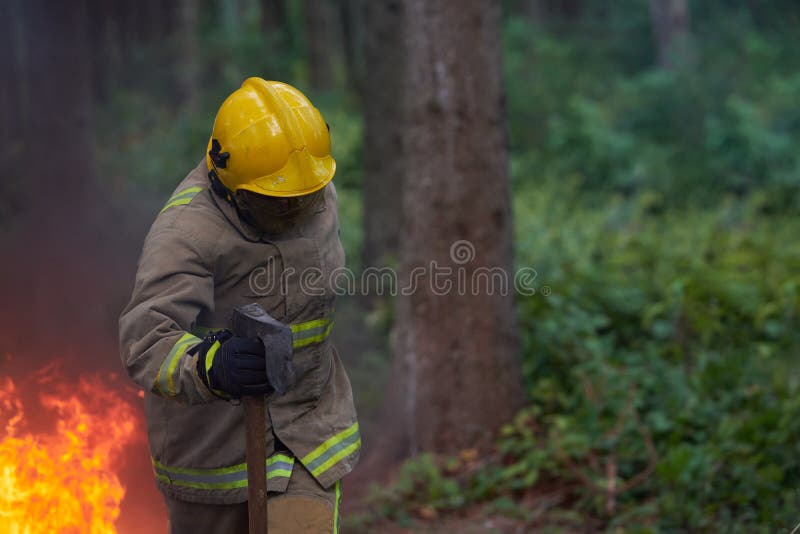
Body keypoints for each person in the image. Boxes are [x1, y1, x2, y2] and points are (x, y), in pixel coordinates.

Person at [119, 78, 360, 534]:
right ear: (228, 182)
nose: (292, 211)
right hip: (215, 456)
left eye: (301, 198)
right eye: (275, 203)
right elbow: (144, 341)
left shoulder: (312, 189)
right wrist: (213, 364)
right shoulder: (185, 234)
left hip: (308, 434)